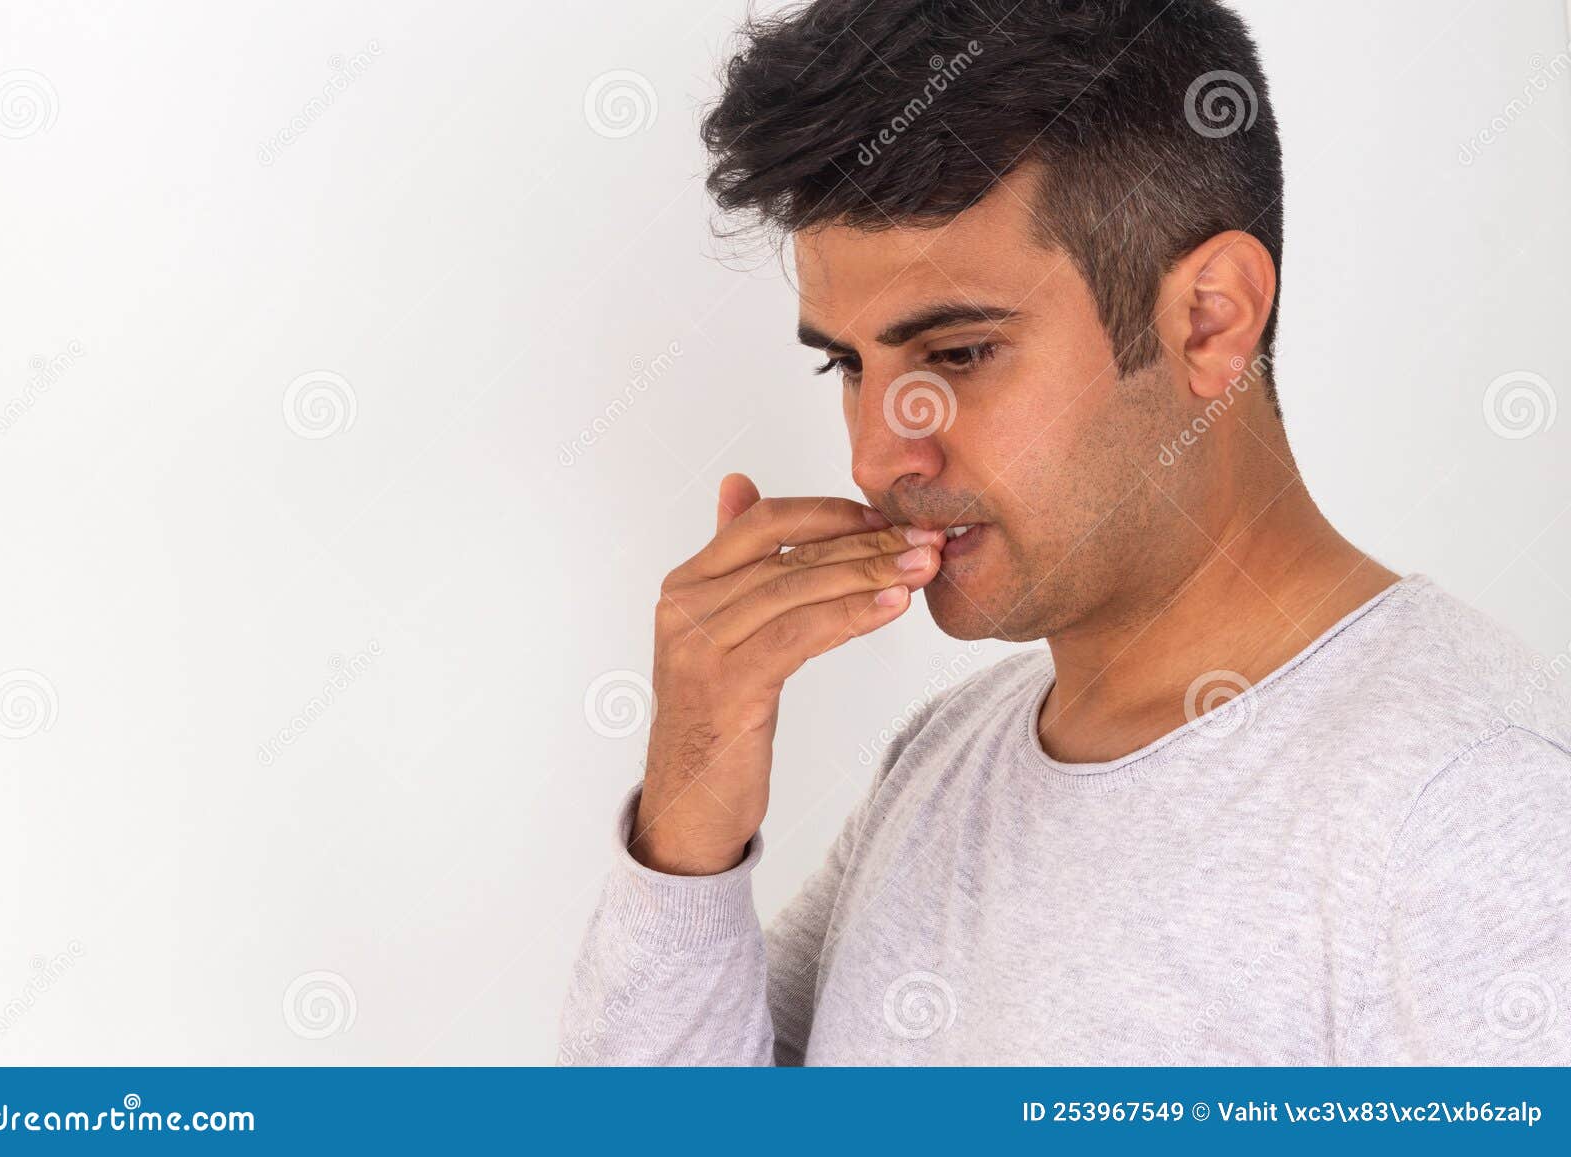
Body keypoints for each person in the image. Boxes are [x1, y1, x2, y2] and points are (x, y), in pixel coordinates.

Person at [560, 0, 1571, 1064]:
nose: (875, 455)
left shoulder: (1478, 811)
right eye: (848, 365)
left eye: (955, 354)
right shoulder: (947, 757)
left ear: (1211, 318)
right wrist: (689, 814)